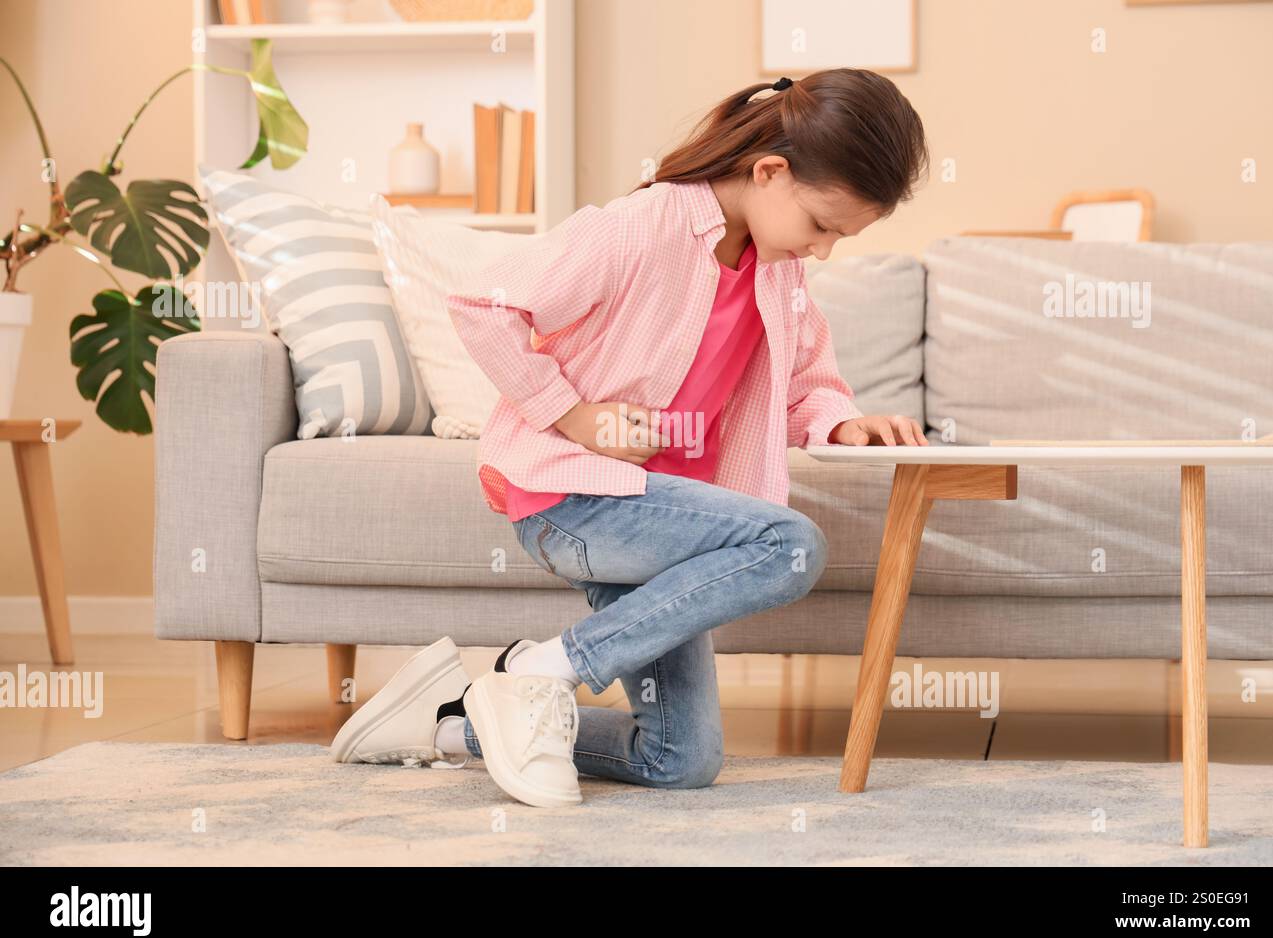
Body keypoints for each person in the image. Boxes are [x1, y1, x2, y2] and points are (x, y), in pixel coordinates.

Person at [331, 68, 930, 808]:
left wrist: (843, 421)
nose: (825, 251)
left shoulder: (779, 273)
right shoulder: (644, 225)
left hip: (668, 521)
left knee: (680, 759)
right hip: (575, 496)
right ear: (770, 171)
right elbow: (482, 304)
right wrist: (573, 414)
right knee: (790, 545)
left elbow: (809, 380)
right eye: (822, 226)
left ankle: (451, 722)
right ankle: (543, 670)